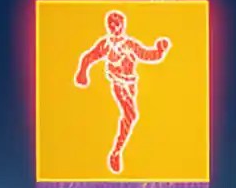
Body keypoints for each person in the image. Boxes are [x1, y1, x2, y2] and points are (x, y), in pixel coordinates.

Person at [74, 10, 172, 174]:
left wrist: (160, 50)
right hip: (118, 84)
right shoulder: (105, 45)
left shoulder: (130, 45)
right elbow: (88, 57)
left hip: (131, 85)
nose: (114, 28)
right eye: (111, 25)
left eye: (117, 25)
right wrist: (82, 73)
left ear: (122, 26)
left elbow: (148, 55)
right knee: (131, 115)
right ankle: (116, 152)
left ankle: (116, 151)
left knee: (130, 116)